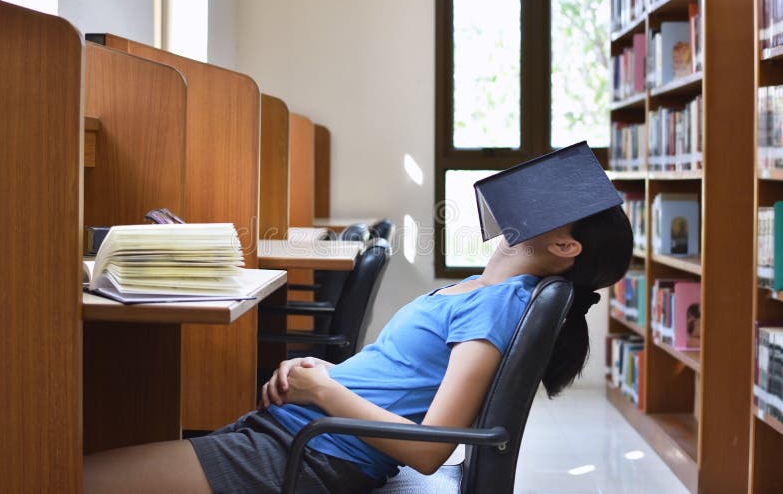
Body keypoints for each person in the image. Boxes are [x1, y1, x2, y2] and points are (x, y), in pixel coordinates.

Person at [83, 206, 633, 494]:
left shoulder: (496, 306)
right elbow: (399, 373)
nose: (527, 205)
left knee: (69, 477)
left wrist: (321, 390)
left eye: (549, 208)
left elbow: (429, 450)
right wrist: (326, 371)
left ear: (564, 246)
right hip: (297, 436)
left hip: (308, 456)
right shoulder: (478, 289)